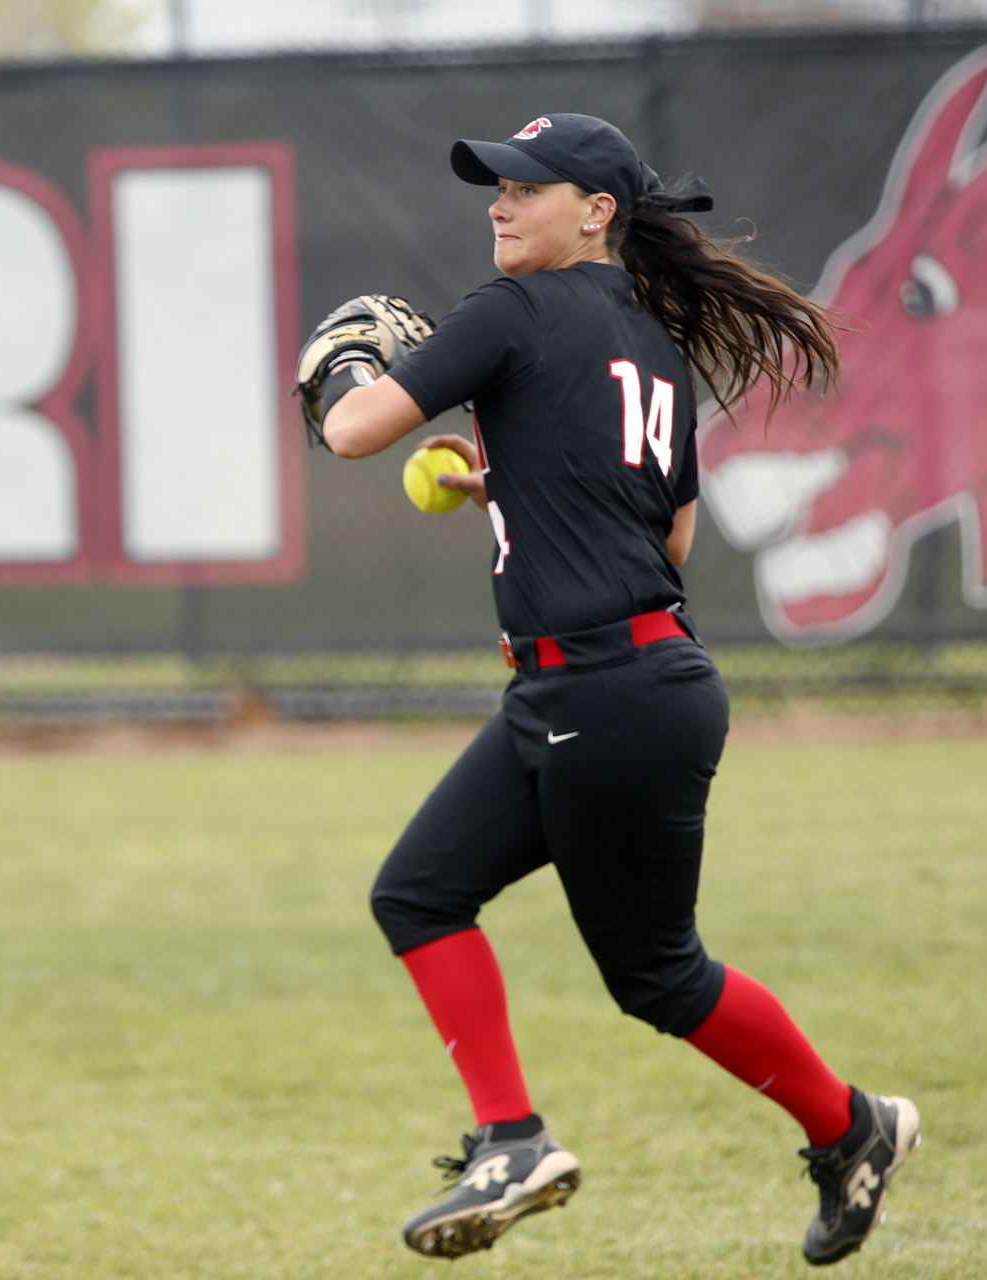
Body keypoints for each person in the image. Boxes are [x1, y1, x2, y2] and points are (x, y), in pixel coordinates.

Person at [305, 113, 919, 1267]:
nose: (499, 201)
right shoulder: (651, 345)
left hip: (606, 690)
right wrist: (519, 480)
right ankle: (526, 1133)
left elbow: (349, 432)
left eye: (526, 186)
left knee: (657, 972)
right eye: (495, 184)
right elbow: (669, 535)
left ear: (596, 211)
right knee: (422, 893)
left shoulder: (511, 313)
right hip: (603, 685)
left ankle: (838, 1124)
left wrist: (345, 361)